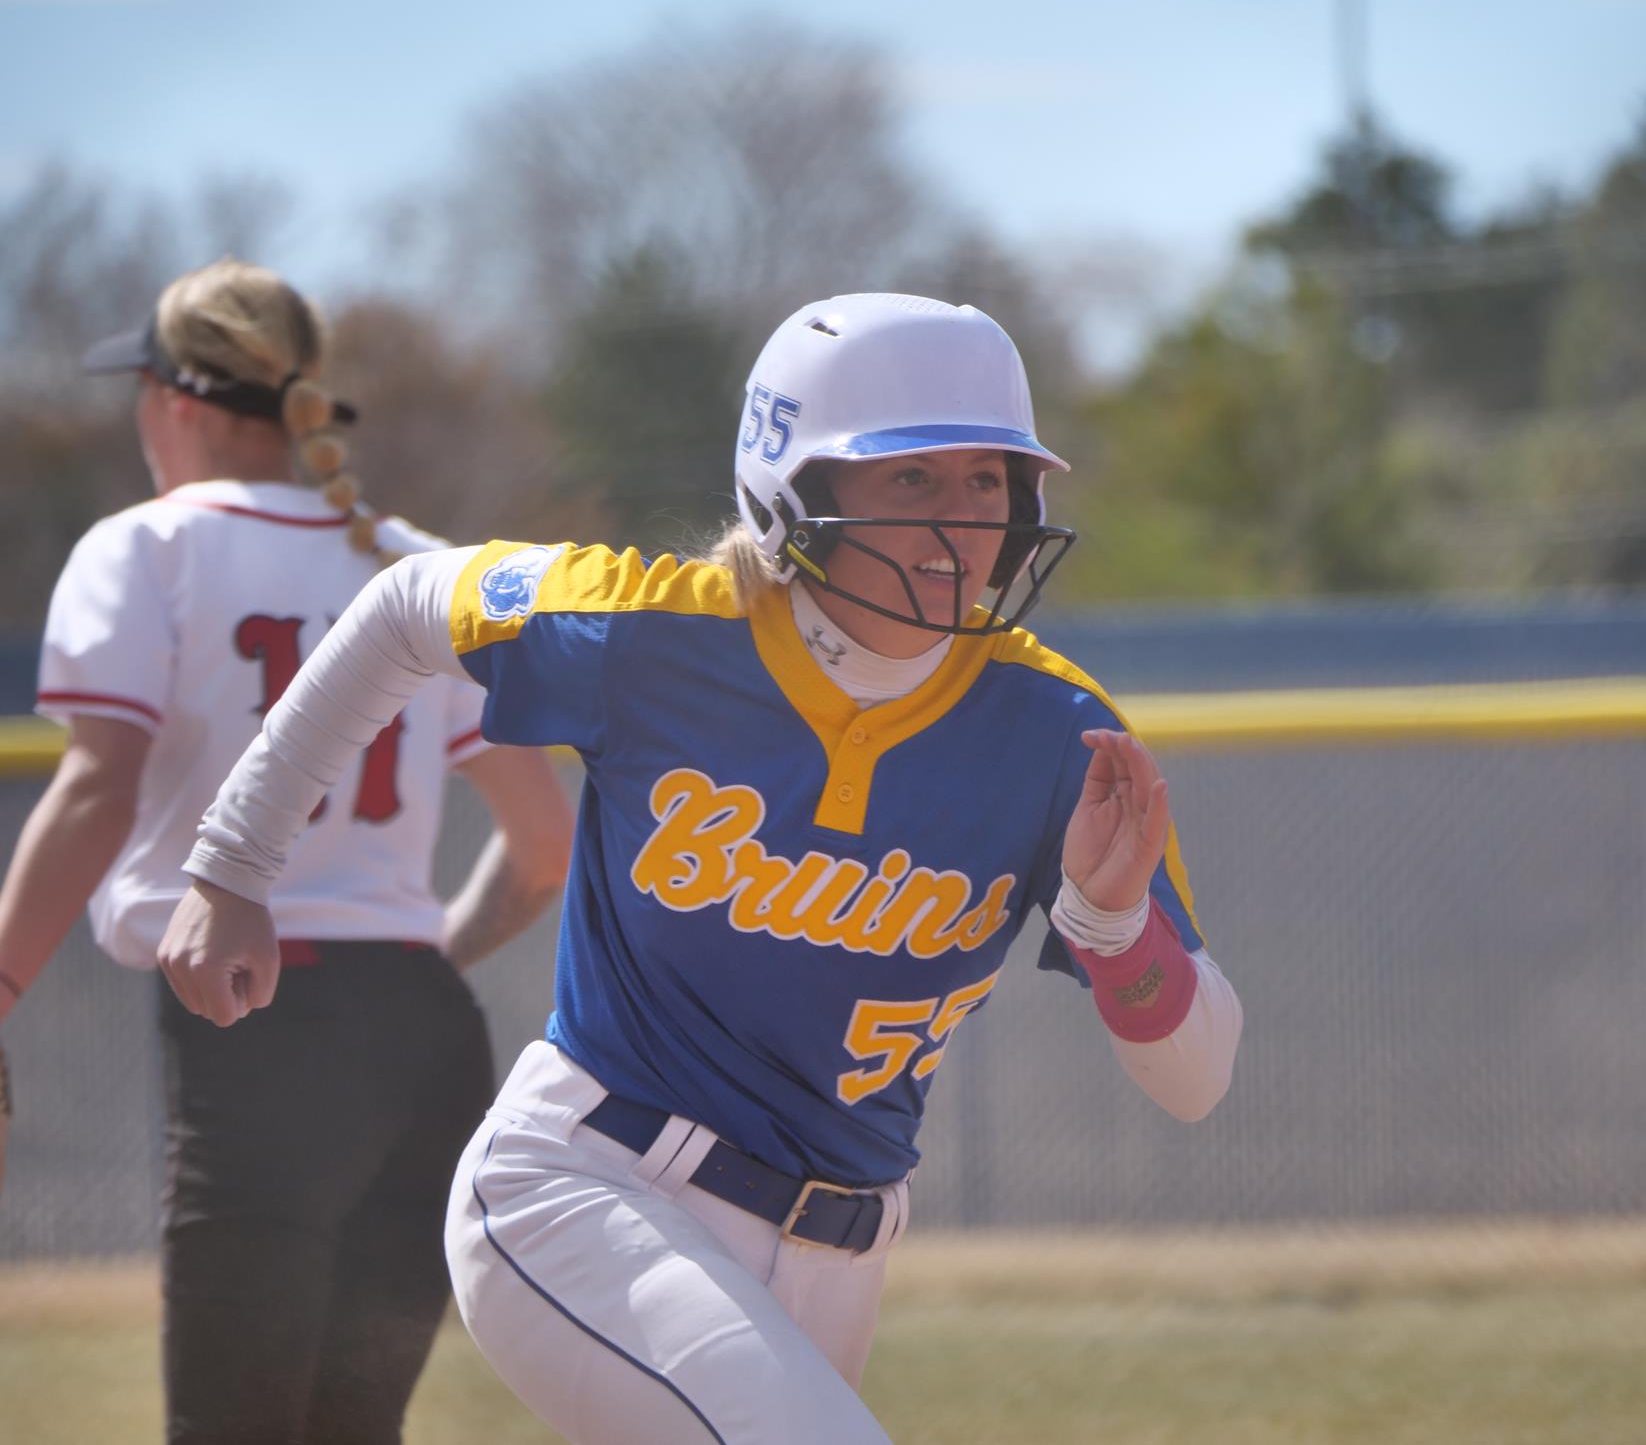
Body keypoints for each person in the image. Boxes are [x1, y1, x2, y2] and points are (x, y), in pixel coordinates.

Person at [159, 292, 1243, 1443]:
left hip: (840, 1251)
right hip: (588, 1186)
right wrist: (233, 864)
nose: (959, 523)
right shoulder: (657, 634)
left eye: (989, 481)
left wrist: (1117, 930)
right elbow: (405, 606)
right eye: (910, 479)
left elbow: (1195, 1080)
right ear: (796, 494)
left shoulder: (1051, 729)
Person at [0, 258, 574, 1445]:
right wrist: (420, 967)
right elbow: (544, 844)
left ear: (180, 402)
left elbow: (99, 789)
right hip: (420, 1035)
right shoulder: (412, 559)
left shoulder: (148, 547)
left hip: (253, 1025)